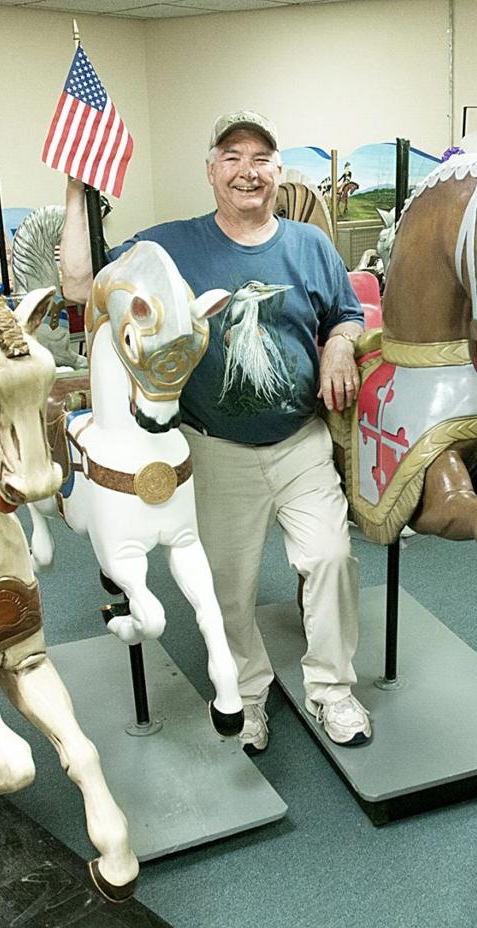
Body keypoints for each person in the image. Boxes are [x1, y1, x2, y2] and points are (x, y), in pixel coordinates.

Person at [60, 109, 371, 751]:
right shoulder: (169, 248)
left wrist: (341, 346)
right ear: (210, 172)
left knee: (330, 557)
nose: (246, 171)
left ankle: (332, 692)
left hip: (300, 443)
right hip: (216, 450)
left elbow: (346, 315)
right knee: (229, 585)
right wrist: (73, 189)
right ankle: (248, 695)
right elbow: (80, 282)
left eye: (260, 158)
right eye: (231, 157)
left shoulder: (310, 246)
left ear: (278, 172)